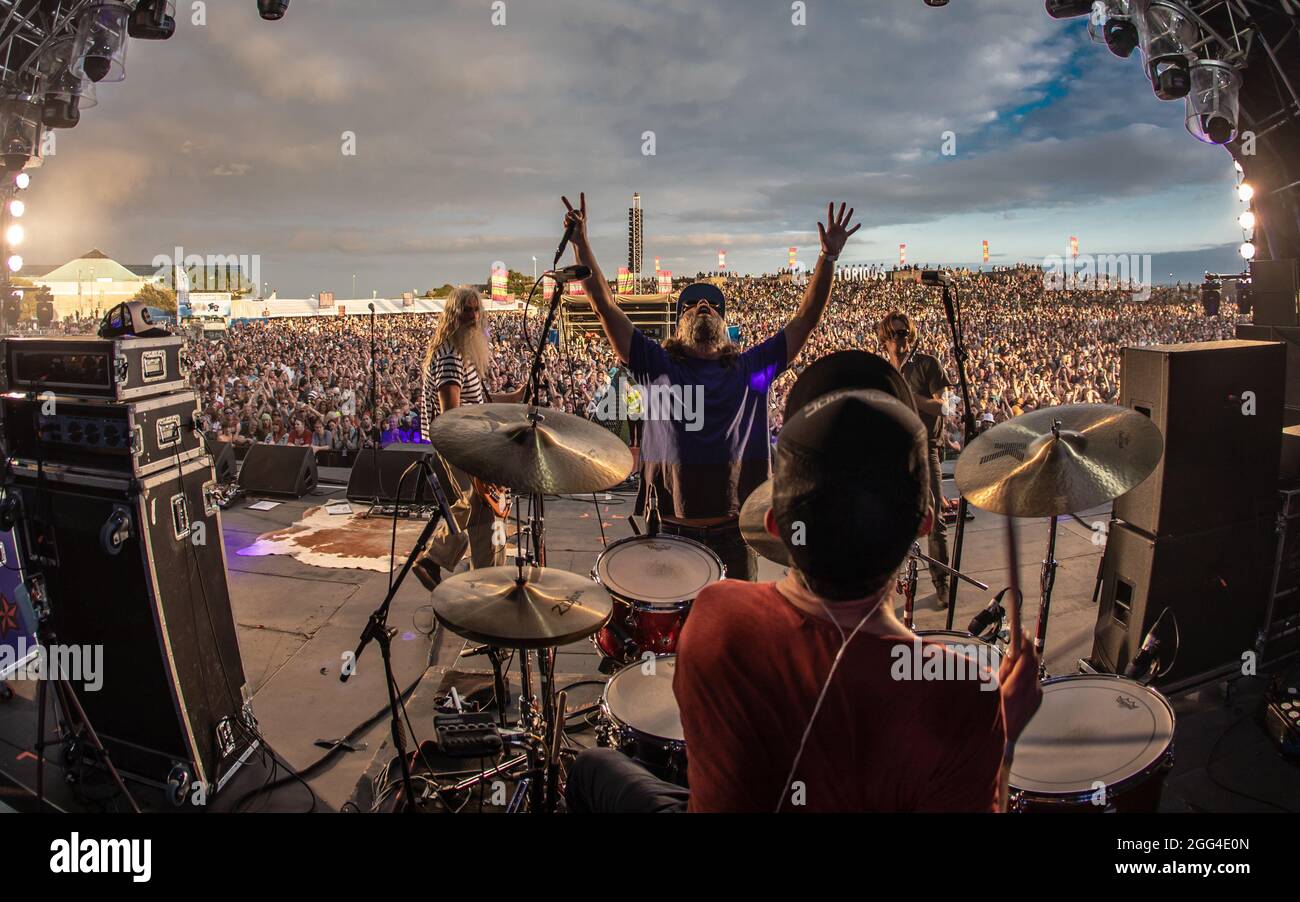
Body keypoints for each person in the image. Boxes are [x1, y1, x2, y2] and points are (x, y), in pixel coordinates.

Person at [566, 355, 1043, 813]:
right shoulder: (965, 696)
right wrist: (1006, 735)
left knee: (592, 766)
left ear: (774, 524)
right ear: (924, 523)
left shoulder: (715, 613)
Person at [561, 192, 858, 580]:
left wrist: (828, 258)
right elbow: (604, 304)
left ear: (723, 323)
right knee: (674, 642)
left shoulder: (752, 371)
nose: (703, 305)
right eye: (691, 303)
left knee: (733, 641)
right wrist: (582, 244)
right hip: (670, 535)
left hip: (733, 536)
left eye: (712, 303)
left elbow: (805, 320)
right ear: (678, 323)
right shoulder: (657, 366)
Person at [412, 287, 525, 590]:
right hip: (461, 446)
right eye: (466, 310)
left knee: (476, 507)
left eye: (476, 310)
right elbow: (453, 416)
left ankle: (437, 563)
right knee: (483, 507)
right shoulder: (450, 356)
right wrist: (480, 457)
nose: (473, 316)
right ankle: (477, 580)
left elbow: (476, 404)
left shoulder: (460, 353)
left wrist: (514, 398)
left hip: (469, 444)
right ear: (453, 314)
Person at [880, 310, 952, 607]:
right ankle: (889, 582)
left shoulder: (927, 365)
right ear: (884, 338)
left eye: (905, 332)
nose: (902, 339)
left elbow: (943, 408)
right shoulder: (883, 371)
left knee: (935, 519)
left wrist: (911, 396)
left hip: (925, 449)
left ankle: (942, 581)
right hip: (894, 452)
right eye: (895, 333)